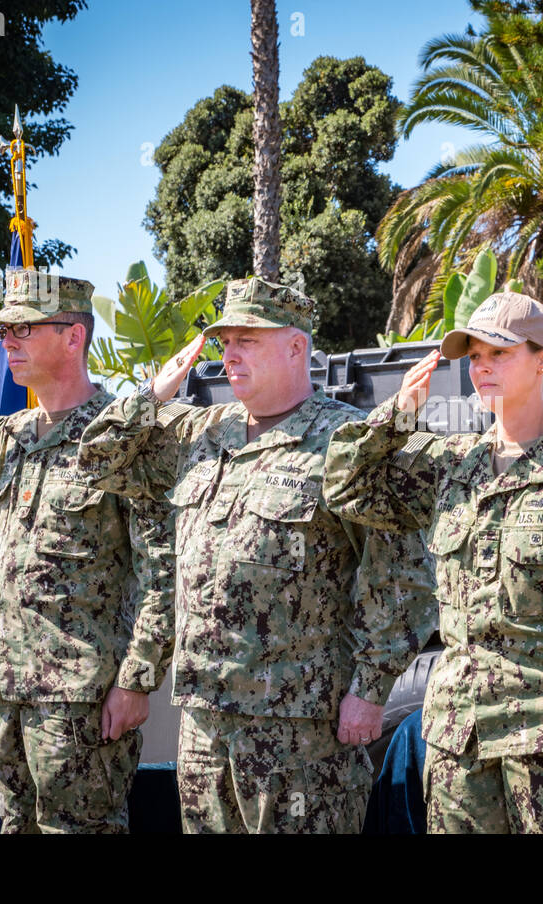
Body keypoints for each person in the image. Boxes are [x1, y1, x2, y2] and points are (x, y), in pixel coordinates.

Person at [76, 277, 436, 834]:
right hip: (204, 725)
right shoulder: (200, 434)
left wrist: (370, 689)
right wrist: (150, 397)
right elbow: (98, 461)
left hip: (302, 732)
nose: (230, 354)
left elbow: (403, 575)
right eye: (224, 342)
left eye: (247, 339)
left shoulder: (346, 442)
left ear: (296, 347)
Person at [322, 291, 543, 834]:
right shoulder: (447, 465)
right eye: (475, 355)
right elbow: (344, 485)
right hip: (459, 743)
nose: (481, 365)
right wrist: (395, 416)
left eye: (499, 353)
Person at [0, 268, 173, 833]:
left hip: (82, 700)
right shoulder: (10, 436)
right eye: (3, 332)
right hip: (6, 690)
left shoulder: (123, 433)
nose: (7, 342)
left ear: (73, 338)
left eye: (24, 329)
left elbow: (162, 569)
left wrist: (137, 680)